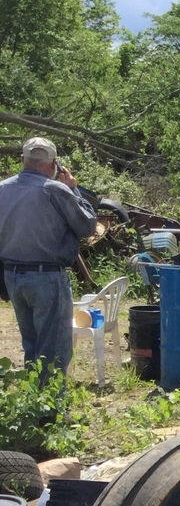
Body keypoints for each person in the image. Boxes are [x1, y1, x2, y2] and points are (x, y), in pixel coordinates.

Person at [0, 137, 97, 378]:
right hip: (46, 277)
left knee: (31, 344)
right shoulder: (56, 189)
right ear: (54, 164)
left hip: (12, 276)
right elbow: (87, 227)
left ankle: (33, 402)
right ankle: (50, 409)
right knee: (53, 348)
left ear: (23, 159)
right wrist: (73, 188)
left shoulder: (3, 188)